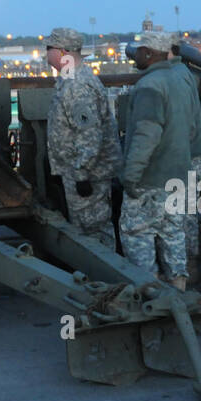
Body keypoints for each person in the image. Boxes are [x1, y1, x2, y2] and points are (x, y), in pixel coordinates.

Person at [120, 30, 192, 289]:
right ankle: (179, 291)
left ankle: (150, 296)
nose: (135, 53)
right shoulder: (179, 80)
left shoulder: (149, 85)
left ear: (148, 54)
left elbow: (146, 135)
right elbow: (193, 129)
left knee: (137, 235)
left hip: (150, 179)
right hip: (177, 177)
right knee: (173, 234)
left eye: (139, 49)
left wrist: (131, 177)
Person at [45, 27, 120, 249]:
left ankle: (105, 281)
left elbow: (89, 135)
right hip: (77, 172)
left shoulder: (77, 86)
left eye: (49, 48)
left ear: (62, 52)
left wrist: (81, 174)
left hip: (87, 175)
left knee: (93, 232)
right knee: (85, 231)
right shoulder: (69, 79)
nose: (45, 54)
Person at [171, 38, 201, 277]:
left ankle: (182, 269)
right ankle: (189, 264)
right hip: (193, 152)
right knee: (187, 211)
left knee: (178, 213)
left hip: (184, 155)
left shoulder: (174, 79)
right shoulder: (186, 76)